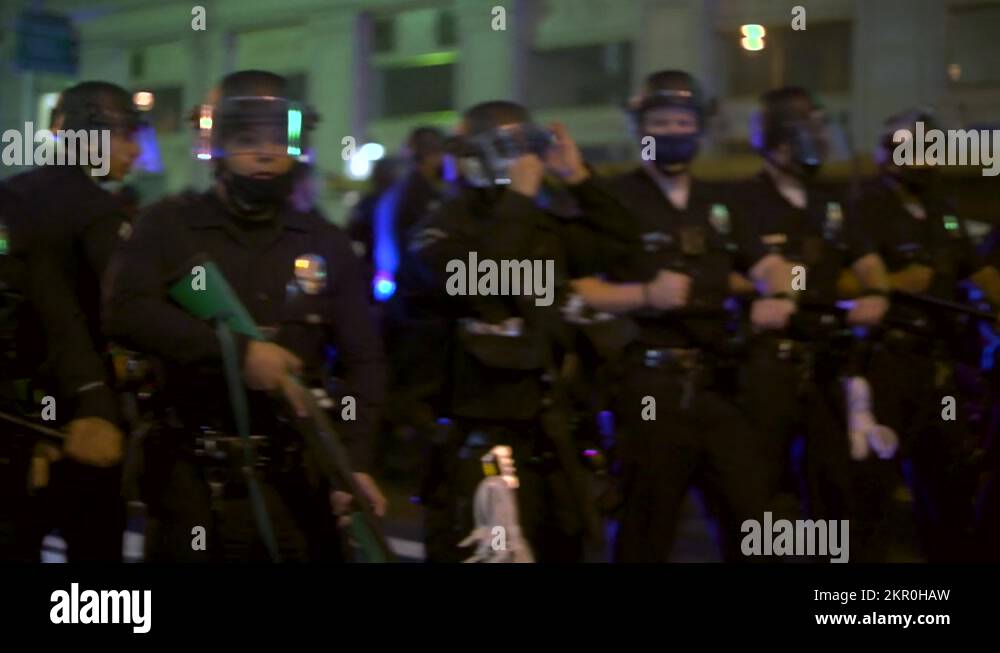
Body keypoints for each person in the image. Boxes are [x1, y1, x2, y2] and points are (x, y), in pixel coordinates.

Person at [103, 70, 387, 562]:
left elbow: (364, 361)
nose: (265, 151)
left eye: (279, 136)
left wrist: (354, 463)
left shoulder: (325, 241)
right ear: (216, 143)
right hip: (194, 483)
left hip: (300, 480)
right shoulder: (169, 225)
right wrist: (239, 354)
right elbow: (125, 313)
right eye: (247, 137)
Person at [407, 100, 639, 562]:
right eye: (507, 150)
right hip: (481, 442)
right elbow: (479, 278)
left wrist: (577, 178)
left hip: (553, 439)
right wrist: (518, 200)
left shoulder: (540, 223)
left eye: (525, 149)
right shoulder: (444, 226)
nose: (523, 162)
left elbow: (623, 246)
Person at [569, 70, 771, 562]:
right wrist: (644, 294)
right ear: (639, 128)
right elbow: (579, 288)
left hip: (721, 382)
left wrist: (783, 286)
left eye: (683, 120)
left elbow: (761, 267)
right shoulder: (613, 200)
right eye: (660, 121)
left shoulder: (721, 202)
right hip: (649, 384)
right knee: (647, 523)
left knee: (754, 521)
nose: (674, 131)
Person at [729, 87, 891, 533]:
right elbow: (724, 272)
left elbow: (868, 262)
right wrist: (765, 290)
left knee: (834, 488)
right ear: (779, 141)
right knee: (756, 494)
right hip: (764, 363)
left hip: (825, 359)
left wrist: (878, 293)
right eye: (810, 132)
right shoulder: (742, 201)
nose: (819, 141)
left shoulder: (832, 202)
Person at [847, 109, 1000, 561]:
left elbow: (981, 271)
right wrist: (894, 283)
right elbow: (861, 276)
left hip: (939, 366)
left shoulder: (942, 209)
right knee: (872, 487)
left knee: (950, 485)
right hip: (887, 363)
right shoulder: (866, 204)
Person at [4, 81, 142, 561]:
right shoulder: (100, 213)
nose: (136, 152)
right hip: (83, 422)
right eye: (128, 136)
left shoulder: (12, 195)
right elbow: (130, 311)